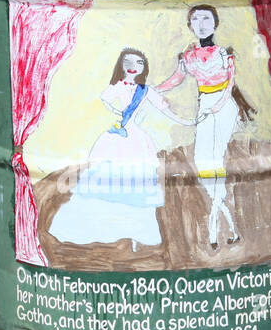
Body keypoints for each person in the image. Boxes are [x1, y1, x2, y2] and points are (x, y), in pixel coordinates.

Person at [48, 48, 192, 249]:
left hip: (137, 140)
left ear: (144, 67)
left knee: (138, 183)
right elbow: (105, 100)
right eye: (128, 62)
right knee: (105, 180)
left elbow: (166, 110)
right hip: (116, 137)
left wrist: (188, 122)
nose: (133, 67)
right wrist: (117, 113)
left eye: (139, 63)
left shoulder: (146, 90)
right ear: (121, 65)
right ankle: (102, 231)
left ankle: (137, 235)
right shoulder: (116, 86)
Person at [154, 4, 256, 249]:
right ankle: (229, 224)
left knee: (215, 159)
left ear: (215, 23)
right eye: (196, 19)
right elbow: (176, 79)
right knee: (202, 161)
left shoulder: (224, 53)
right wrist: (153, 91)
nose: (201, 24)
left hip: (224, 105)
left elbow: (230, 84)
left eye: (206, 18)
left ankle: (213, 229)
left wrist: (217, 105)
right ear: (190, 25)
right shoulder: (188, 56)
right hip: (205, 105)